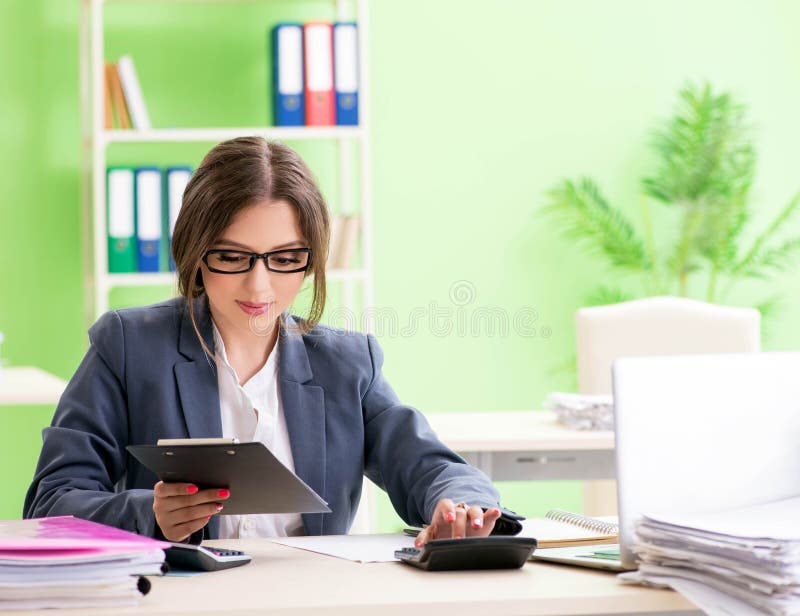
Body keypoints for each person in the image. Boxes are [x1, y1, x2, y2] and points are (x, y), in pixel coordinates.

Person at [24, 137, 514, 546]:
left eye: (284, 258)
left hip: (309, 600)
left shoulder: (347, 363)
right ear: (195, 252)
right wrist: (149, 513)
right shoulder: (129, 347)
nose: (259, 287)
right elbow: (52, 501)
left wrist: (463, 512)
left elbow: (430, 467)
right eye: (233, 257)